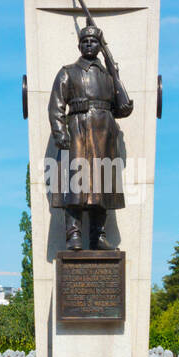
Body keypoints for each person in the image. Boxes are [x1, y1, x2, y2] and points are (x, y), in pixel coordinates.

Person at [48, 25, 133, 250]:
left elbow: (123, 109)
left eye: (93, 42)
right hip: (78, 129)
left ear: (99, 46)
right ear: (79, 45)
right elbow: (56, 106)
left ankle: (98, 236)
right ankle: (73, 234)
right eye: (84, 41)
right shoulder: (68, 71)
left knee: (101, 186)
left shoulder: (108, 74)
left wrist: (116, 76)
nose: (88, 45)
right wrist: (60, 133)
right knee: (75, 185)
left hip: (104, 132)